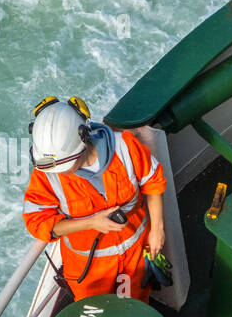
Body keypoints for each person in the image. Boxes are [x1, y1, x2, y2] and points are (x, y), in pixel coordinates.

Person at [22, 96, 167, 303]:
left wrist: (157, 229)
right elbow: (38, 223)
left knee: (133, 307)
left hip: (135, 257)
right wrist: (91, 222)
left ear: (83, 142)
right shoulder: (46, 173)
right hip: (89, 271)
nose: (61, 173)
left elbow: (153, 181)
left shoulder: (125, 147)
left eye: (65, 166)